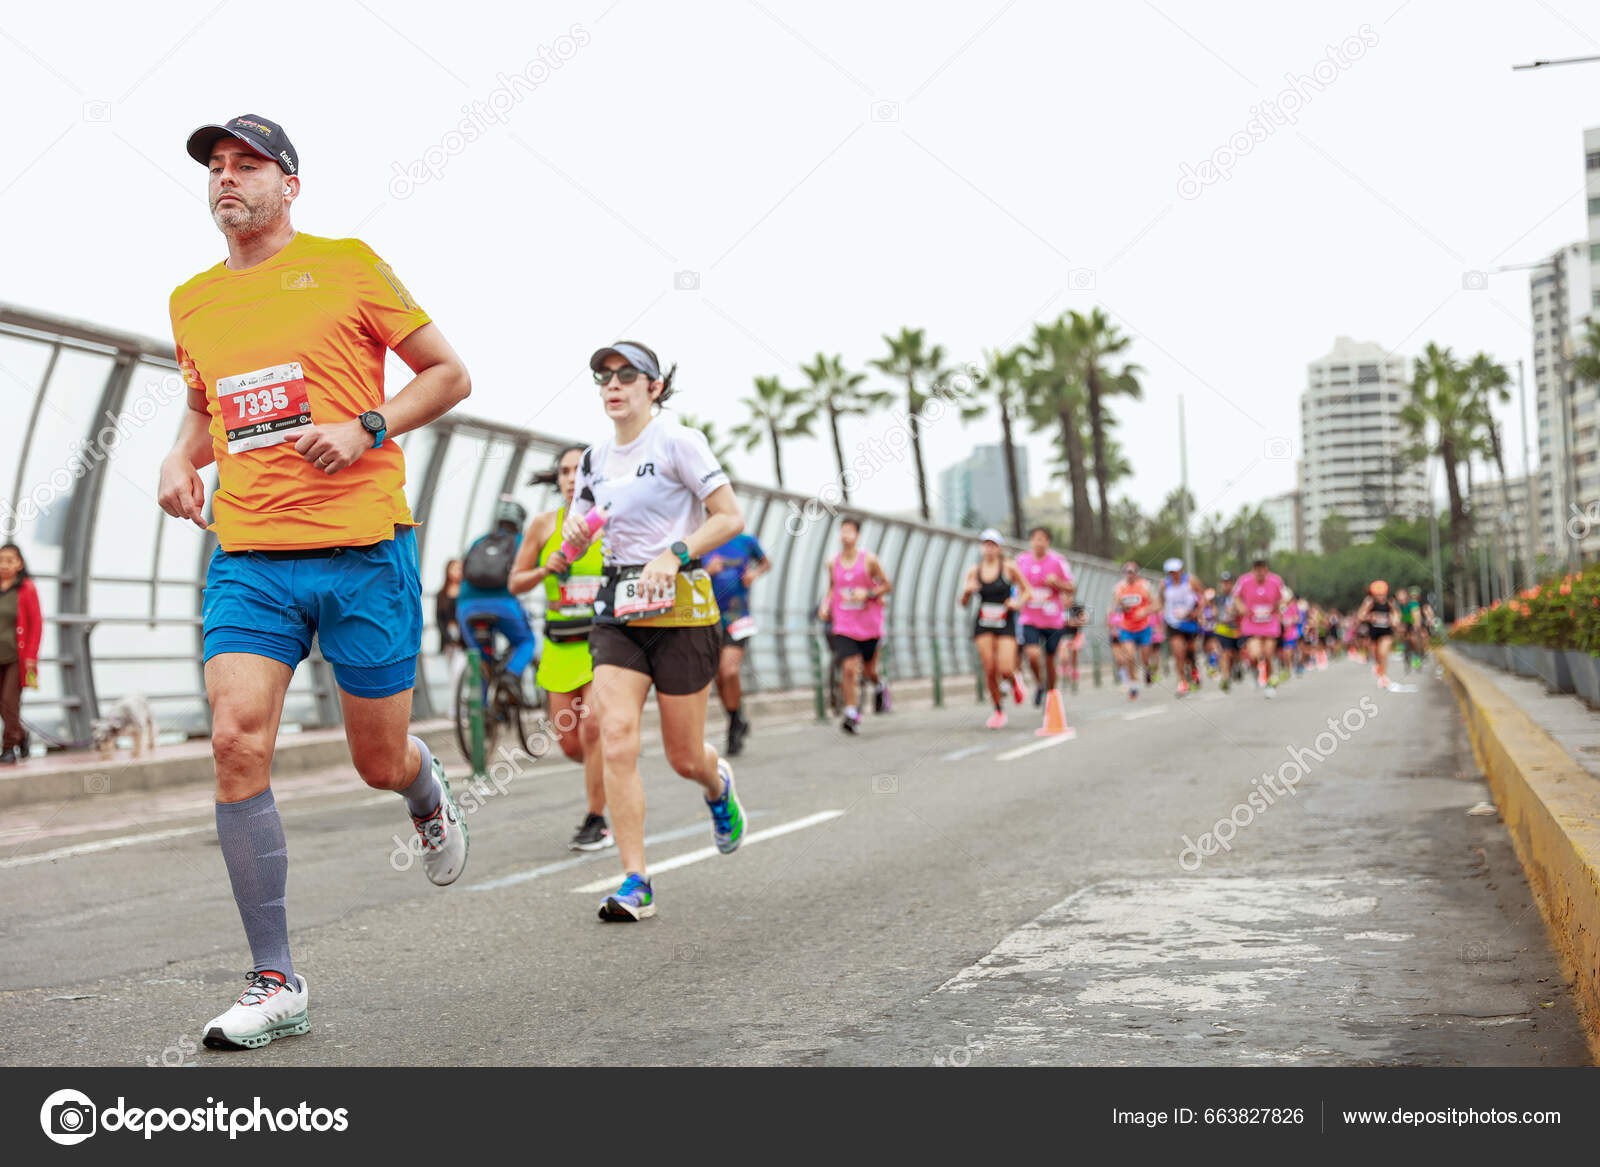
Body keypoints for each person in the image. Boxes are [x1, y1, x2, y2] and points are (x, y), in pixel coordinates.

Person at [158, 114, 471, 1050]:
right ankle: (275, 979)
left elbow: (449, 374)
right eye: (215, 166)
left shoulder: (348, 264)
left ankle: (423, 791)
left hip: (362, 548)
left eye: (246, 164)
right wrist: (182, 459)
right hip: (250, 555)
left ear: (289, 184)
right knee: (233, 739)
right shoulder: (191, 300)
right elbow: (204, 407)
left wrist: (366, 428)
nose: (226, 179)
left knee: (376, 758)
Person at [560, 341, 747, 922]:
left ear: (653, 387)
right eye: (602, 376)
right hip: (619, 606)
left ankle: (717, 786)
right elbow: (585, 523)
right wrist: (574, 538)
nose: (612, 385)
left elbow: (729, 516)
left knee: (684, 756)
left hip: (682, 606)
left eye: (625, 375)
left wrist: (675, 553)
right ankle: (635, 881)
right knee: (613, 734)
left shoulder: (677, 441)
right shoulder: (593, 458)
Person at [508, 445, 611, 851]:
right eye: (565, 471)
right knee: (571, 743)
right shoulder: (542, 525)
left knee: (593, 728)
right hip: (559, 644)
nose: (571, 478)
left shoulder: (610, 523)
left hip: (603, 643)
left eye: (579, 470)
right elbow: (515, 582)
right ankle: (611, 775)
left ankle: (597, 818)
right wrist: (542, 570)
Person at [457, 497, 538, 703]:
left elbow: (463, 571)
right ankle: (511, 675)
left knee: (482, 659)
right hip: (504, 604)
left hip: (466, 606)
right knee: (526, 641)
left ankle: (484, 713)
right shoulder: (520, 541)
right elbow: (531, 574)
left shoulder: (479, 541)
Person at [817, 517, 892, 735]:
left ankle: (879, 684)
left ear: (857, 535)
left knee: (869, 671)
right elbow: (832, 588)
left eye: (850, 531)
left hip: (868, 624)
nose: (845, 535)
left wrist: (867, 593)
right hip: (844, 625)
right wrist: (825, 605)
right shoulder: (832, 562)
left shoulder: (869, 560)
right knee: (849, 669)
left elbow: (887, 585)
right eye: (842, 531)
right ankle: (851, 712)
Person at [959, 529, 1034, 729]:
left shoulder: (1009, 568)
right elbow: (963, 602)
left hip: (1005, 622)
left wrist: (1017, 603)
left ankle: (1014, 680)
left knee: (1005, 667)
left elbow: (1028, 590)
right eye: (985, 544)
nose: (989, 548)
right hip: (984, 623)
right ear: (982, 547)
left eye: (993, 545)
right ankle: (998, 710)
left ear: (999, 548)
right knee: (989, 667)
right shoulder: (974, 571)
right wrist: (967, 592)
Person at [705, 529, 770, 756]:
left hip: (737, 617)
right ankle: (736, 719)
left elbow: (765, 563)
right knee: (718, 677)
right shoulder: (701, 539)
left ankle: (734, 723)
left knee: (729, 671)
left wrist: (754, 573)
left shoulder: (746, 541)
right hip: (707, 619)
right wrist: (706, 571)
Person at [1016, 527, 1074, 707]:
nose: (1039, 542)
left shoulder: (1058, 561)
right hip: (1029, 618)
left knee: (1050, 660)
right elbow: (1013, 584)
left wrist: (1056, 582)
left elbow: (1071, 587)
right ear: (1031, 541)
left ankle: (1051, 695)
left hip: (1052, 619)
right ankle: (1040, 684)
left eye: (1043, 539)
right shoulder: (1021, 560)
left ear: (1048, 542)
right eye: (1035, 538)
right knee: (1032, 654)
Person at [0, 543, 42, 764]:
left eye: (10, 560)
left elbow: (36, 623)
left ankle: (8, 748)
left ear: (19, 564)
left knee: (9, 701)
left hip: (17, 657)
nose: (4, 565)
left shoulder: (26, 588)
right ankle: (22, 736)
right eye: (1, 560)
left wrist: (32, 657)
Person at [1231, 558, 1286, 698]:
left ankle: (1269, 682)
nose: (1260, 572)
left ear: (1266, 569)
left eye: (1262, 569)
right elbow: (1235, 596)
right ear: (1253, 570)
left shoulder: (1276, 580)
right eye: (1257, 569)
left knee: (1268, 653)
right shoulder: (1244, 581)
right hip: (1251, 624)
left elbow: (1283, 597)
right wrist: (1241, 608)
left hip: (1270, 623)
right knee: (1255, 654)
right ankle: (1255, 672)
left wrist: (1278, 608)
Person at [1159, 557, 1204, 697]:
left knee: (1190, 650)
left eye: (1176, 571)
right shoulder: (1164, 585)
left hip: (1190, 621)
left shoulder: (1191, 580)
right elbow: (1161, 602)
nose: (1174, 574)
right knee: (1178, 652)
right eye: (1171, 572)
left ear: (1181, 570)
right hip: (1173, 623)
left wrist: (1197, 612)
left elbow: (1203, 597)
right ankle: (1182, 681)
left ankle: (1194, 669)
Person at [1111, 561, 1156, 700]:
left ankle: (1147, 670)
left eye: (1132, 572)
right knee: (1129, 656)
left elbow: (1156, 604)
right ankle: (1133, 685)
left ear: (1137, 573)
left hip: (1143, 627)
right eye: (1126, 572)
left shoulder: (1145, 586)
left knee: (1144, 657)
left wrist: (1145, 611)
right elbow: (1114, 607)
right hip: (1127, 628)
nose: (1129, 575)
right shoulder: (1119, 588)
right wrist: (1121, 607)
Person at [1353, 580, 1398, 688]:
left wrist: (1394, 620)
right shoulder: (1369, 602)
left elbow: (1396, 613)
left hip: (1386, 632)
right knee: (1377, 656)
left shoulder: (1390, 602)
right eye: (1377, 595)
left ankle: (1384, 677)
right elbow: (1360, 616)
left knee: (1383, 653)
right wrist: (1370, 616)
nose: (1380, 597)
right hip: (1373, 633)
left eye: (1382, 594)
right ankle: (1379, 668)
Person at [436, 559, 465, 678]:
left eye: (460, 569)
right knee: (452, 672)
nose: (458, 572)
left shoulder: (465, 593)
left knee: (460, 668)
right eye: (454, 568)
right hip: (448, 637)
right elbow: (439, 619)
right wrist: (448, 637)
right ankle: (456, 696)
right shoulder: (442, 594)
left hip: (463, 638)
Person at [1212, 571, 1241, 692]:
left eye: (1228, 583)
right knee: (1224, 653)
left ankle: (1236, 666)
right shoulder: (1217, 598)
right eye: (1224, 583)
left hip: (1237, 629)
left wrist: (1234, 611)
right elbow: (1214, 612)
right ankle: (1225, 677)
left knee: (1235, 654)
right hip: (1223, 629)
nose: (1226, 585)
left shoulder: (1238, 597)